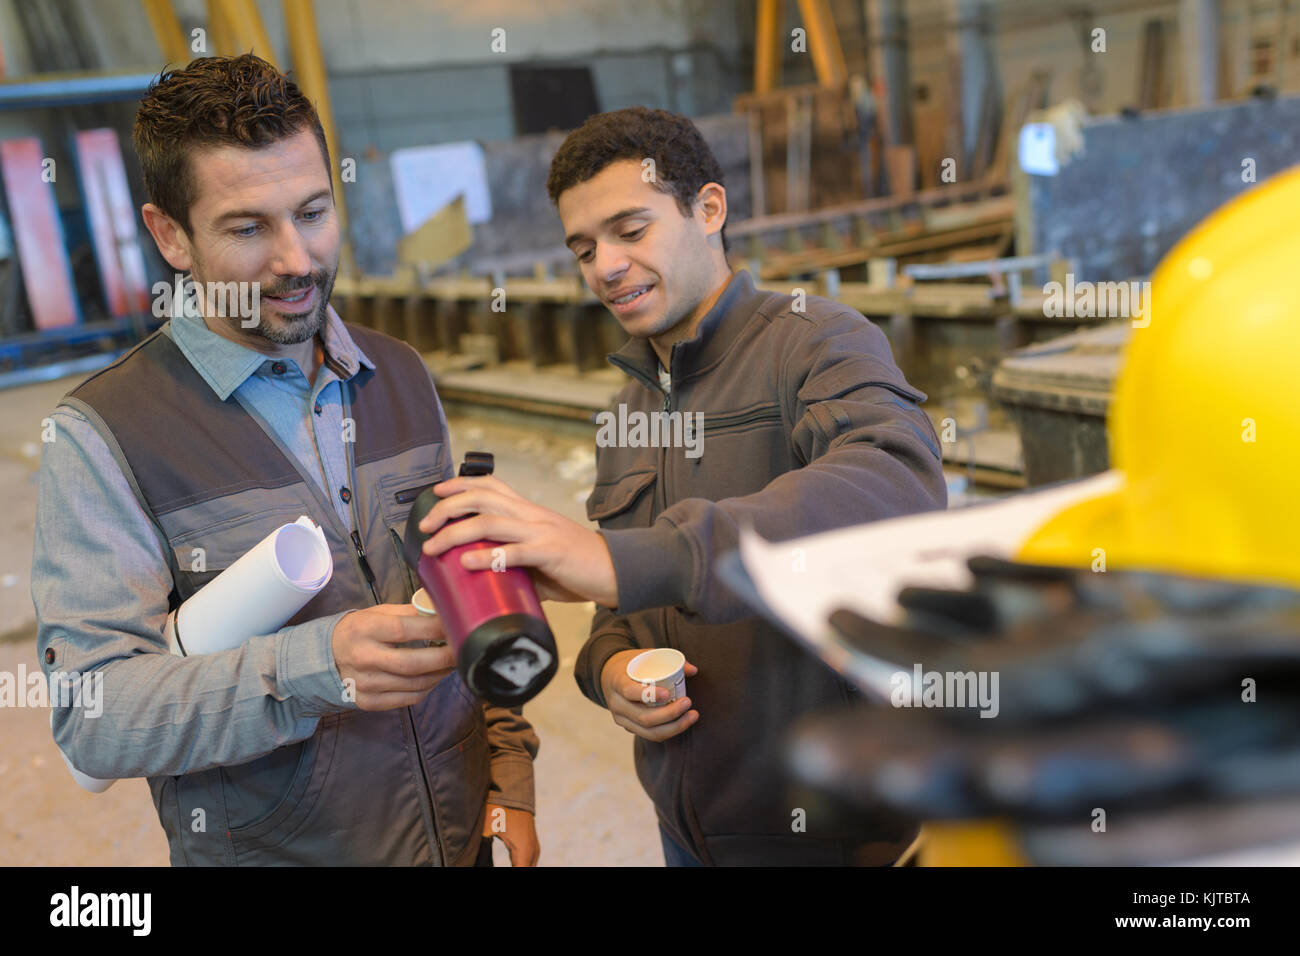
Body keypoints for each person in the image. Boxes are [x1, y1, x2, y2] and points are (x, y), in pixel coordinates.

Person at [31, 54, 538, 866]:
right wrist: (309, 668)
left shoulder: (399, 373)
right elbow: (93, 716)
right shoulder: (105, 435)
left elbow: (469, 583)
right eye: (247, 228)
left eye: (311, 212)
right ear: (170, 235)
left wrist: (509, 774)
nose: (296, 259)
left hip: (463, 837)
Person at [418, 107, 948, 865]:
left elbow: (897, 486)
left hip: (838, 832)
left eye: (630, 231)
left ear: (708, 209)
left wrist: (630, 558)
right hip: (689, 834)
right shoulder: (627, 411)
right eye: (584, 248)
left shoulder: (817, 342)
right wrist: (610, 669)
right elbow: (616, 615)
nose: (604, 265)